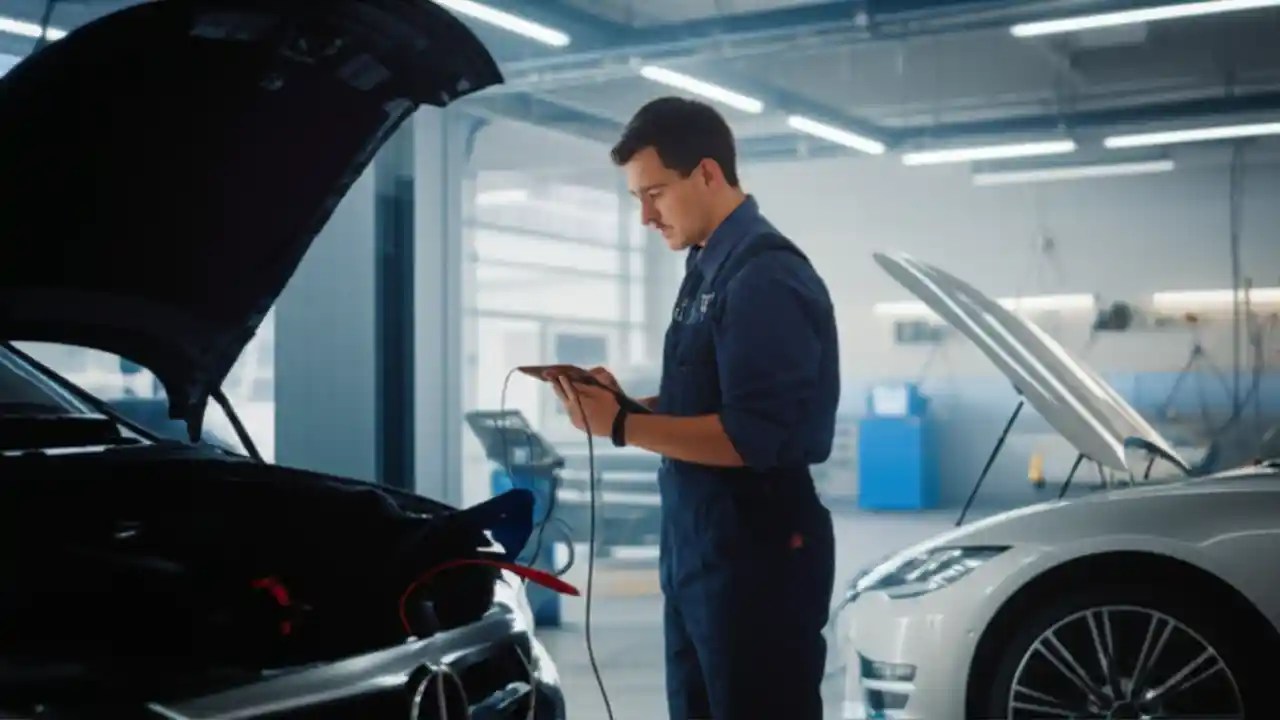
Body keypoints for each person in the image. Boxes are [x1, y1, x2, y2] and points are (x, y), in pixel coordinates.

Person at [548, 96, 840, 720]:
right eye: (637, 199)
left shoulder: (763, 276)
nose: (647, 217)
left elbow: (751, 436)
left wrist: (624, 425)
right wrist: (624, 403)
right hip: (699, 547)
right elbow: (703, 399)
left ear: (708, 173)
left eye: (656, 193)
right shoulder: (707, 266)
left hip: (757, 549)